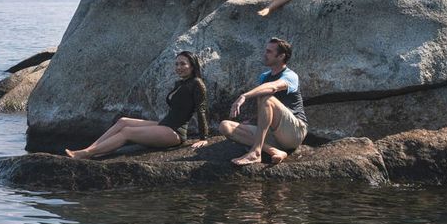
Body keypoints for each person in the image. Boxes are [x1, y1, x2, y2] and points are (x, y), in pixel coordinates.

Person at [65, 51, 210, 159]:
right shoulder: (181, 83)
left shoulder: (197, 84)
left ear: (192, 66)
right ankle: (90, 149)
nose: (179, 67)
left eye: (183, 64)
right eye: (177, 64)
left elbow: (201, 111)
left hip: (175, 132)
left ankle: (85, 154)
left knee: (127, 132)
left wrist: (204, 138)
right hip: (164, 125)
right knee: (123, 121)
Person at [216, 38, 307, 167]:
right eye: (266, 50)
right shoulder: (264, 76)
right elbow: (265, 109)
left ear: (281, 56)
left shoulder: (290, 76)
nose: (265, 54)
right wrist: (252, 120)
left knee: (266, 97)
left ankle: (256, 152)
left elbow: (273, 87)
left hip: (294, 132)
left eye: (269, 51)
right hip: (272, 134)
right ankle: (273, 151)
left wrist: (244, 96)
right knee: (225, 126)